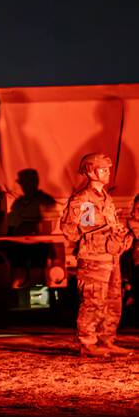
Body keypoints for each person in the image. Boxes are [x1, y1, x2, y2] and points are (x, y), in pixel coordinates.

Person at [59, 153, 133, 357]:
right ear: (90, 172)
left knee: (113, 300)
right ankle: (88, 343)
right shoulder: (83, 199)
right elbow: (69, 229)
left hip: (111, 258)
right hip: (94, 259)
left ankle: (106, 340)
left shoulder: (105, 196)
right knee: (93, 300)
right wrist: (91, 241)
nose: (107, 172)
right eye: (103, 169)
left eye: (108, 169)